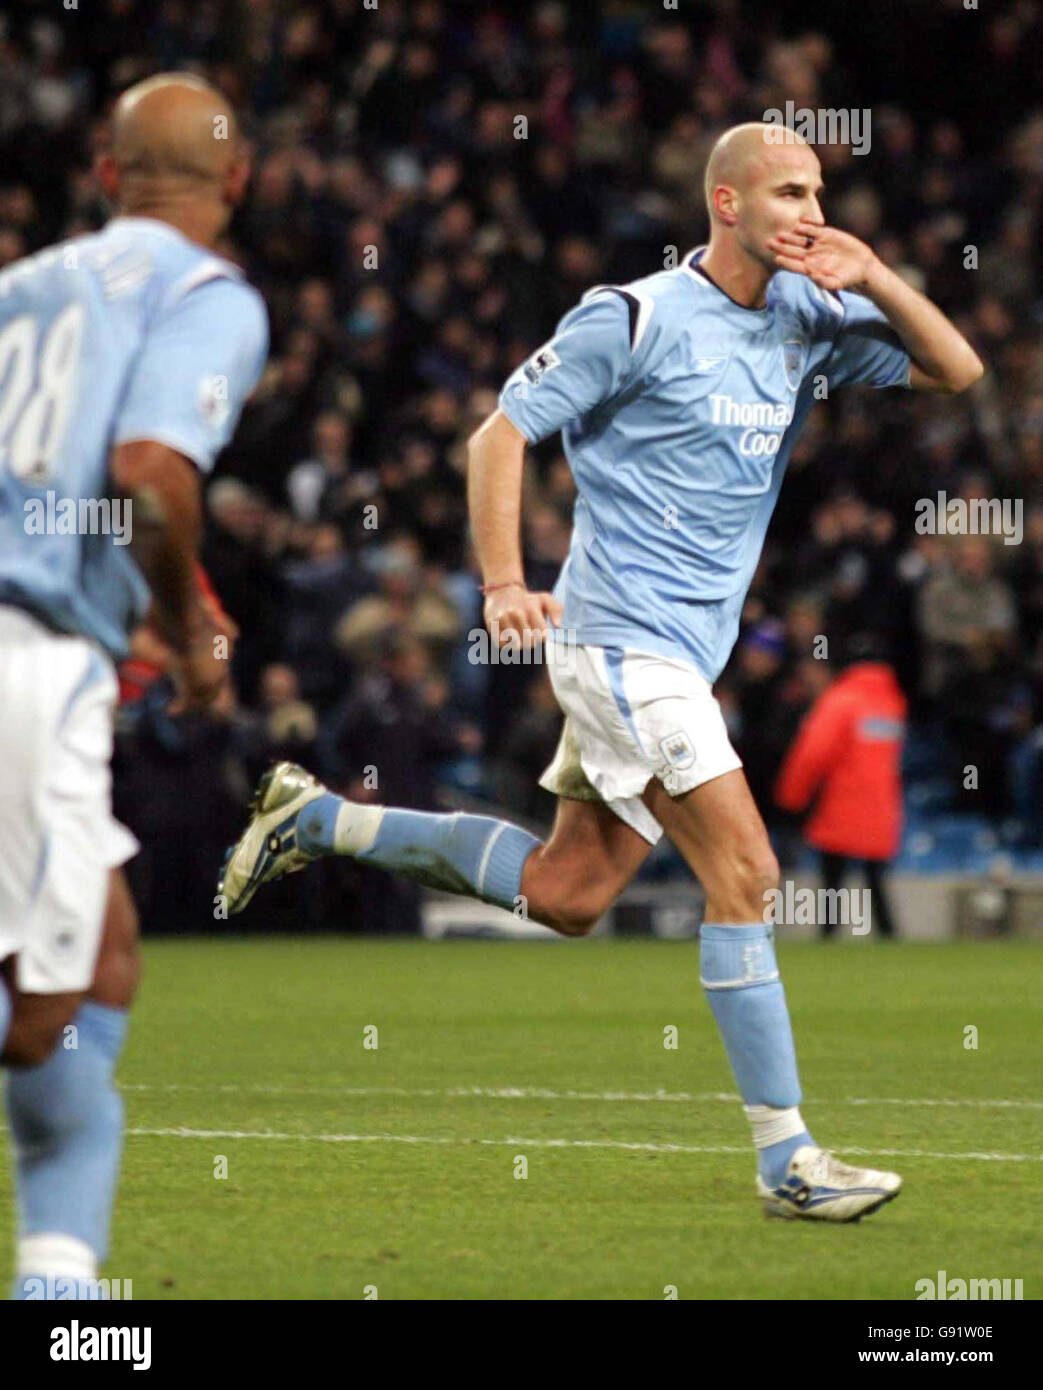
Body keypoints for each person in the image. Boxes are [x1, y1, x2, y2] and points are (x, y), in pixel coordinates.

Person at [220, 122, 983, 1221]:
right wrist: (499, 584)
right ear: (725, 204)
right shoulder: (630, 316)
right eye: (785, 191)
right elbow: (498, 436)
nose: (809, 209)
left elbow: (954, 369)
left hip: (677, 658)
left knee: (566, 894)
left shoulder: (807, 318)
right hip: (620, 642)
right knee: (747, 874)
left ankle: (318, 820)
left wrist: (872, 273)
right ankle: (788, 1162)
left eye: (818, 189)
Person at [0, 72, 267, 1296]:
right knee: (41, 1012)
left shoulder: (20, 292)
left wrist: (138, 601)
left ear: (106, 178)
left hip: (47, 638)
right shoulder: (205, 294)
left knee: (104, 957)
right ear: (241, 181)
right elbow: (152, 469)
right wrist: (181, 624)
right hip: (30, 668)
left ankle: (66, 1291)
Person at [774, 636, 907, 938]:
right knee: (877, 880)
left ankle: (829, 934)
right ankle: (889, 936)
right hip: (882, 807)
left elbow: (812, 755)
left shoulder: (840, 701)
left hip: (841, 805)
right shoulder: (893, 702)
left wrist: (790, 797)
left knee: (833, 880)